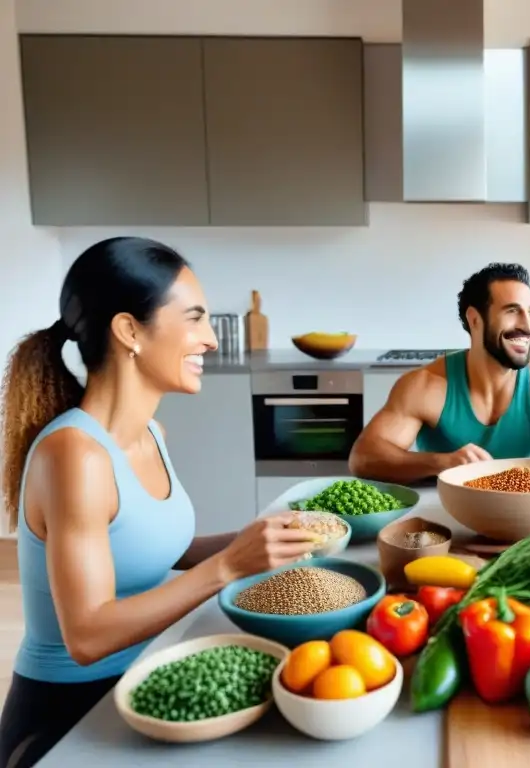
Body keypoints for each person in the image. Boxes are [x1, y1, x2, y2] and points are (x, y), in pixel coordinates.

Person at [0, 237, 318, 767]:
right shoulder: (74, 455)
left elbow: (154, 545)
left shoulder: (151, 432)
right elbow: (87, 635)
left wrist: (260, 537)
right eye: (194, 319)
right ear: (129, 332)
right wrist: (226, 567)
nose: (211, 340)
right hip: (69, 722)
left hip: (141, 681)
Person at [350, 263, 530, 483]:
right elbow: (364, 458)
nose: (527, 326)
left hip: (523, 513)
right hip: (440, 511)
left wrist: (525, 483)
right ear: (475, 320)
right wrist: (443, 463)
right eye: (512, 311)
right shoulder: (426, 386)